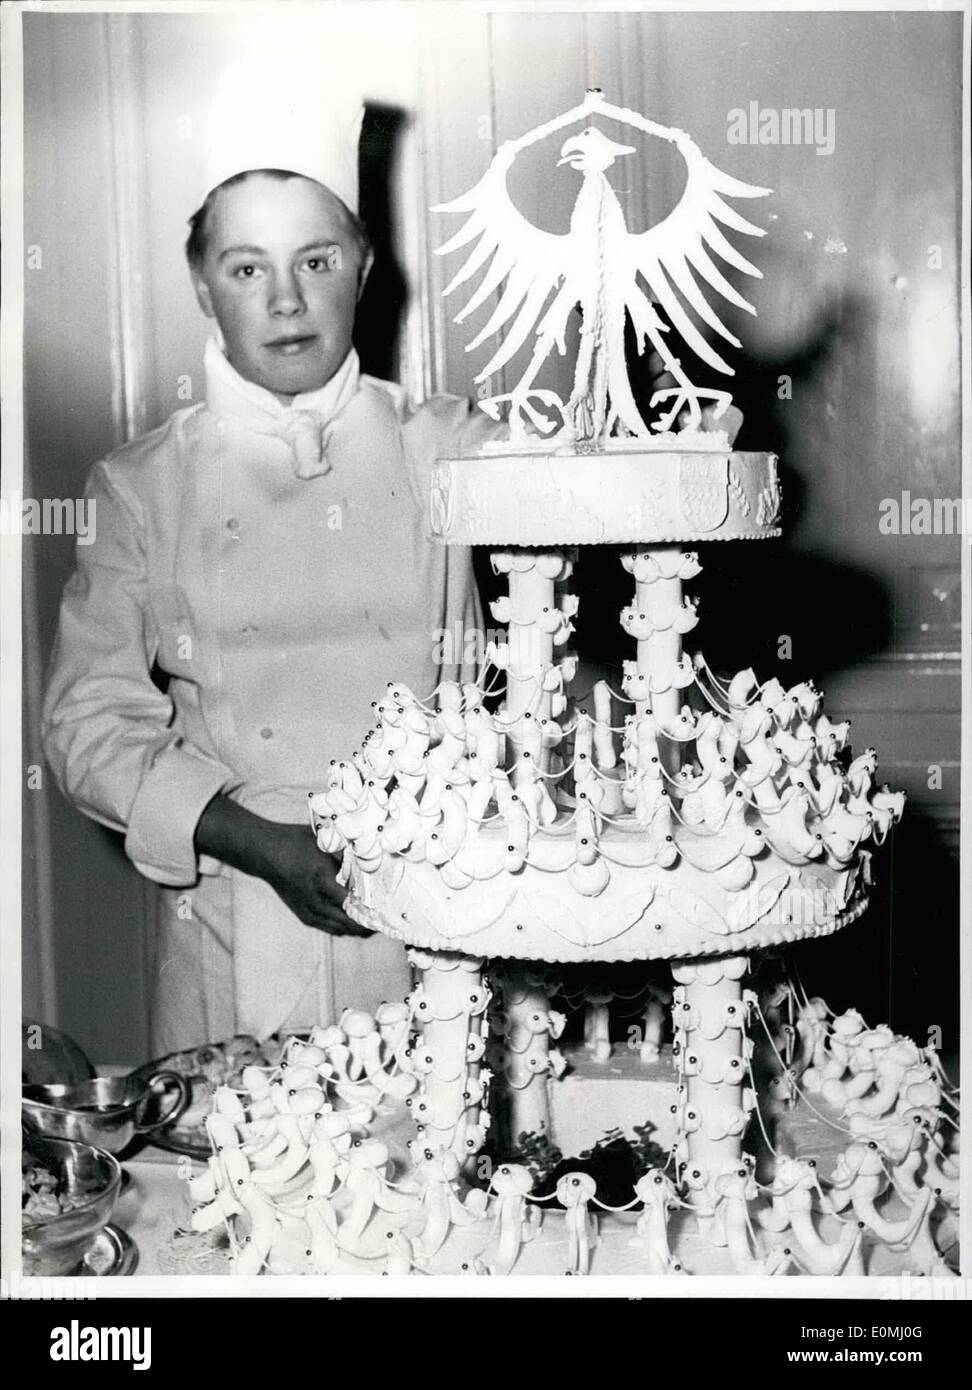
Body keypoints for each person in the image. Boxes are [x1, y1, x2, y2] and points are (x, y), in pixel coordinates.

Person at [42, 56, 490, 1053]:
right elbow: (86, 725)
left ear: (367, 269)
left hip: (436, 922)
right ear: (203, 285)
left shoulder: (448, 444)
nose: (286, 301)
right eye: (248, 268)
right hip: (233, 925)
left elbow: (596, 481)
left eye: (316, 261)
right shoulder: (143, 483)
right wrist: (264, 843)